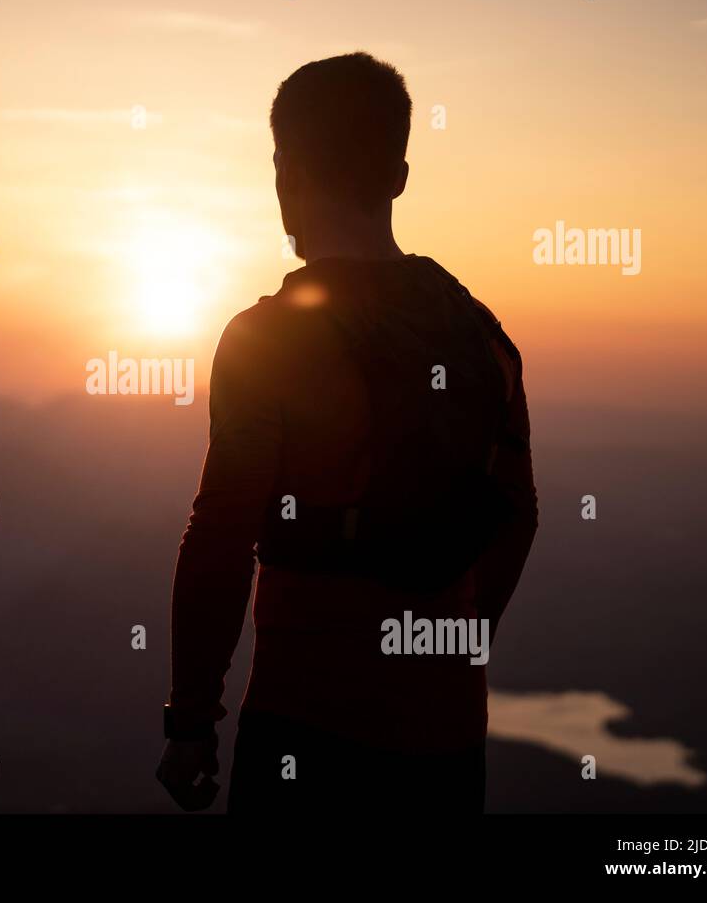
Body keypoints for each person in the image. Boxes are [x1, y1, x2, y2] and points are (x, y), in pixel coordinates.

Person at [155, 52, 539, 813]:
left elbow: (221, 537)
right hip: (449, 748)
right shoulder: (483, 339)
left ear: (283, 171)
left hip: (306, 734)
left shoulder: (269, 340)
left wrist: (191, 719)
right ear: (398, 175)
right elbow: (517, 518)